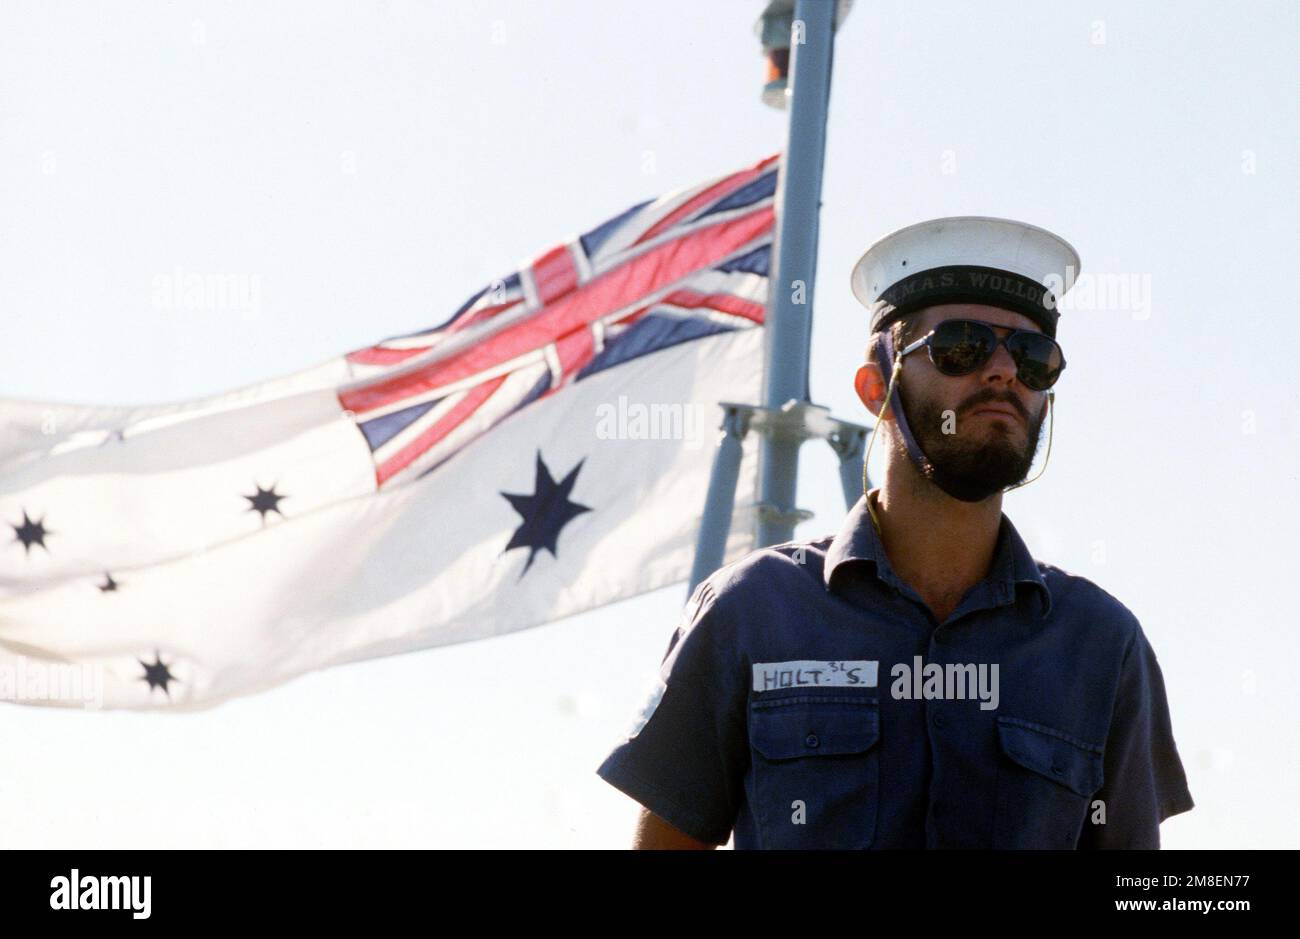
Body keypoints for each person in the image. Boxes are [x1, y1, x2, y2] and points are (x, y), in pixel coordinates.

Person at [595, 216, 1194, 849]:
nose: (1001, 372)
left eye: (1032, 357)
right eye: (960, 346)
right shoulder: (751, 611)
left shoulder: (1100, 645)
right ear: (875, 386)